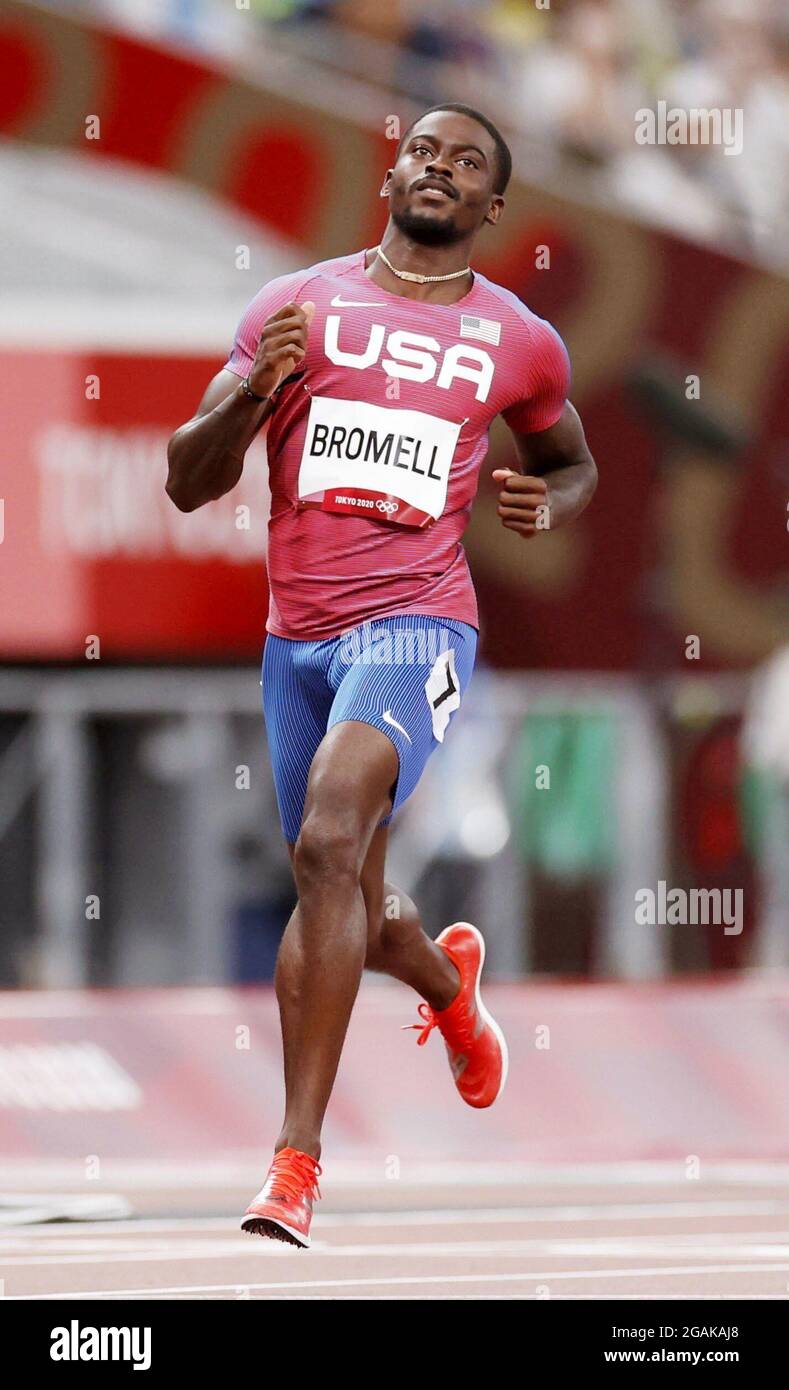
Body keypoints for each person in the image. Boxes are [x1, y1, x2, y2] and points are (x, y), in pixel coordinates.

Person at [166, 101, 597, 1248]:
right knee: (346, 888)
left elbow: (571, 457)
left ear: (493, 207)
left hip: (418, 624)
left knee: (323, 841)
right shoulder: (294, 306)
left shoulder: (521, 340)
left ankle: (295, 1163)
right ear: (392, 173)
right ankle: (448, 987)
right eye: (424, 152)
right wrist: (261, 388)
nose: (439, 170)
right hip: (294, 635)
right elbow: (185, 480)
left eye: (467, 164)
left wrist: (544, 499)